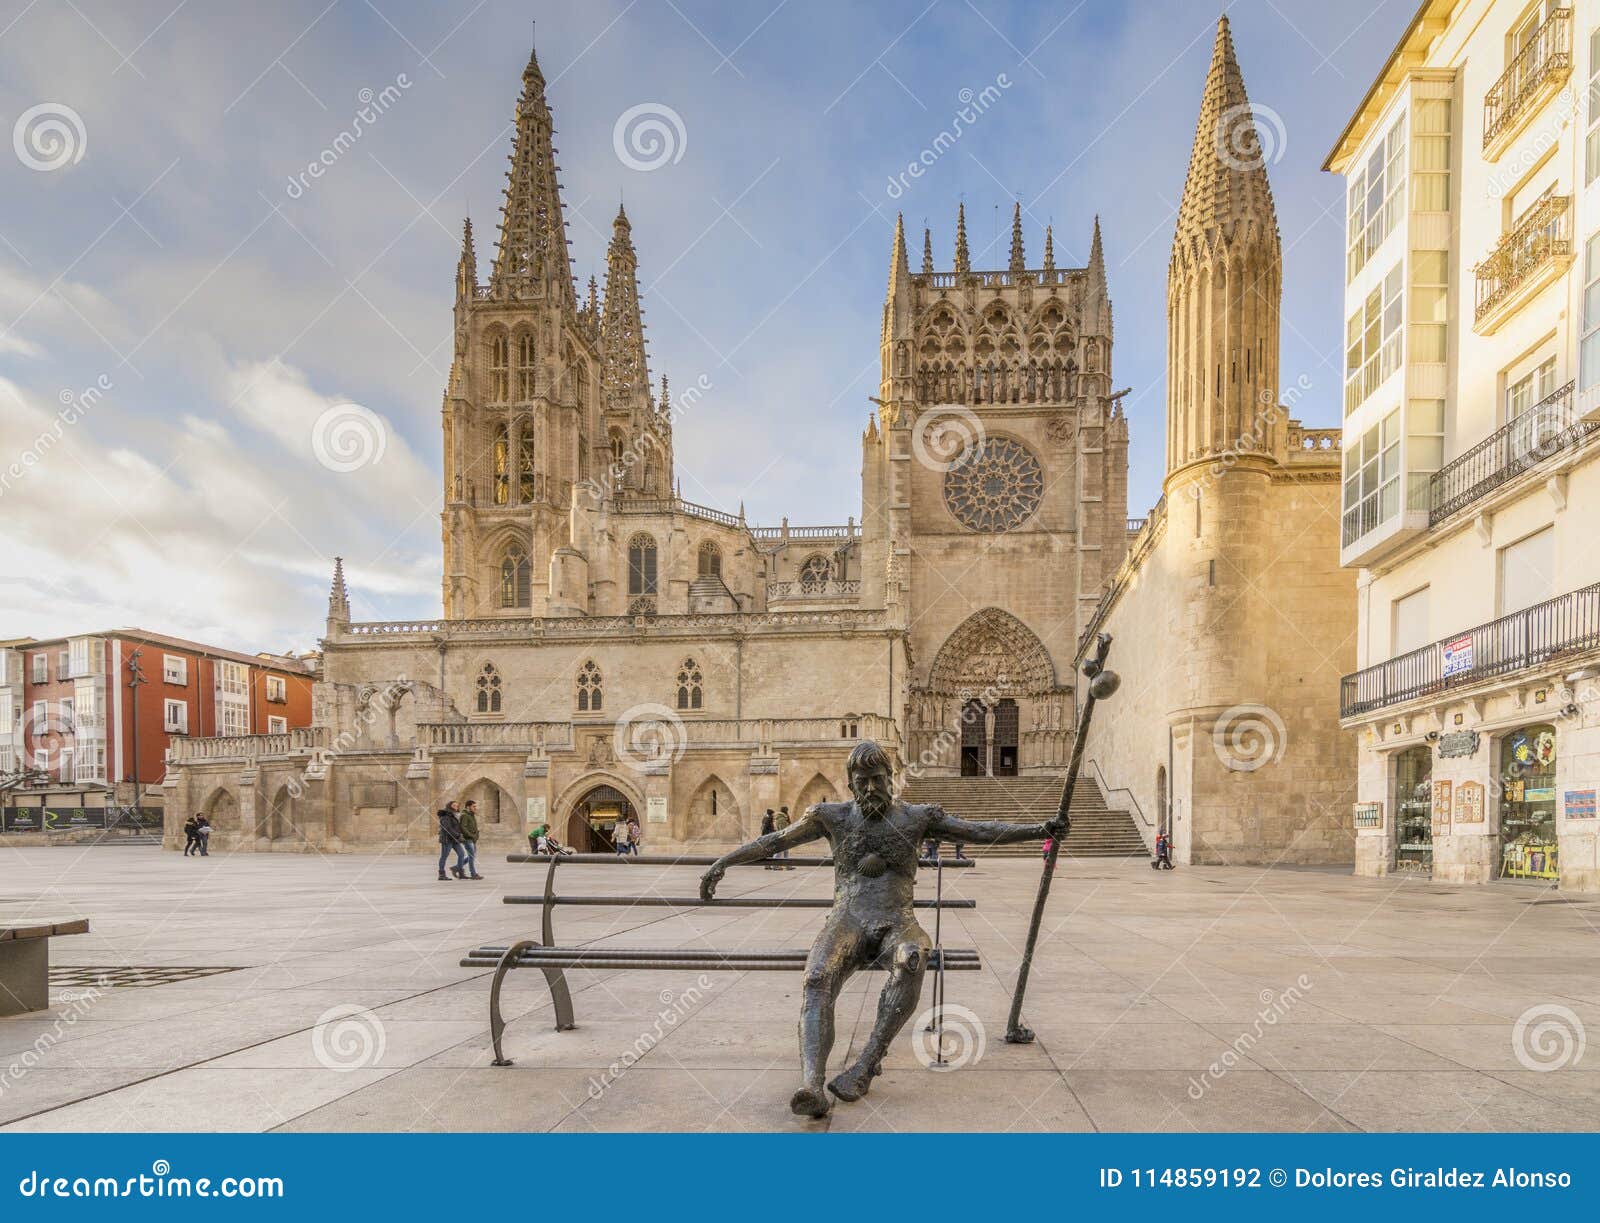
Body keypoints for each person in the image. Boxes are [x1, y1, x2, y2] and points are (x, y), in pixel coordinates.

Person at [701, 739, 1060, 1118]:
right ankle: (811, 1084)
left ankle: (866, 1064)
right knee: (817, 978)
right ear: (850, 784)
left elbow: (980, 832)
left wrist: (1041, 830)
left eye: (877, 778)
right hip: (848, 919)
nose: (871, 787)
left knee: (912, 958)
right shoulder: (831, 817)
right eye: (862, 781)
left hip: (897, 921)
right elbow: (774, 841)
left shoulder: (917, 817)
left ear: (891, 778)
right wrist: (723, 862)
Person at [436, 800, 469, 881]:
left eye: (457, 806)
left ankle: (460, 873)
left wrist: (460, 835)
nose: (456, 807)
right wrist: (458, 835)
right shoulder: (445, 816)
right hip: (447, 839)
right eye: (454, 805)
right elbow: (447, 828)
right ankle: (441, 874)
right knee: (444, 856)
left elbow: (456, 827)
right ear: (449, 806)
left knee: (461, 854)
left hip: (455, 839)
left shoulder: (455, 815)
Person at [458, 799, 485, 880]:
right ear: (468, 807)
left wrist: (476, 835)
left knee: (472, 856)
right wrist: (471, 835)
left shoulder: (471, 815)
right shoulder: (464, 815)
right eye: (474, 806)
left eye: (475, 806)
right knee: (471, 857)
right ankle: (473, 874)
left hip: (472, 839)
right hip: (468, 839)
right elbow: (463, 827)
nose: (475, 808)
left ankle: (456, 867)